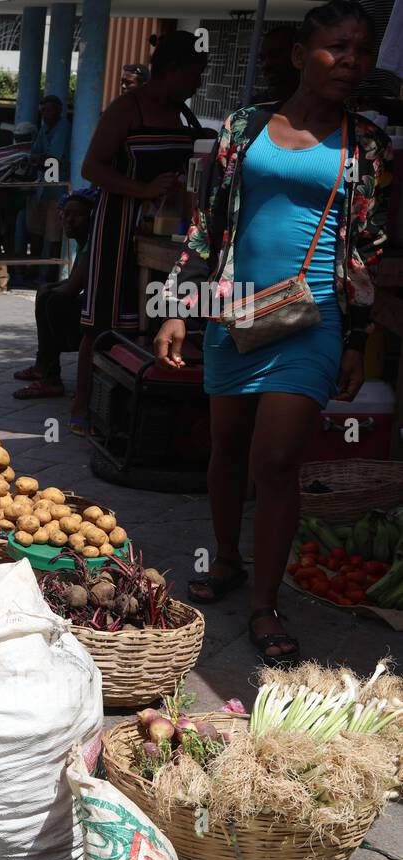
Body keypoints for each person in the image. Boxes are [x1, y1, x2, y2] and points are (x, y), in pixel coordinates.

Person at [155, 0, 393, 665]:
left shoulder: (367, 144)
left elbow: (367, 248)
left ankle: (265, 602)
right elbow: (207, 223)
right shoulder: (243, 127)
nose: (352, 61)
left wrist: (354, 338)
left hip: (311, 316)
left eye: (362, 51)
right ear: (300, 55)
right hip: (234, 310)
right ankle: (226, 558)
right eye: (337, 47)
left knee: (278, 460)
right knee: (227, 446)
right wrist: (179, 303)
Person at [72, 30, 209, 436]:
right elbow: (91, 168)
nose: (198, 84)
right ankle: (83, 405)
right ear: (171, 70)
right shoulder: (127, 109)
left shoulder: (184, 115)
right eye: (194, 75)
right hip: (117, 229)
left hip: (164, 234)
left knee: (149, 321)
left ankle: (130, 411)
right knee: (102, 322)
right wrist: (143, 190)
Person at [14, 188, 98, 399]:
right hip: (89, 306)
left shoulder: (93, 246)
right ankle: (43, 367)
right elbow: (72, 282)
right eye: (66, 214)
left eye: (77, 215)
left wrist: (47, 294)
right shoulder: (84, 243)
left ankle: (51, 378)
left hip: (100, 318)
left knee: (54, 301)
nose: (69, 220)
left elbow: (71, 288)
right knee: (46, 291)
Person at [27, 94, 72, 278]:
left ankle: (51, 276)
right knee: (35, 231)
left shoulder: (63, 128)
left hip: (57, 189)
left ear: (58, 111)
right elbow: (34, 155)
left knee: (54, 236)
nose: (44, 113)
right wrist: (39, 159)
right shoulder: (44, 127)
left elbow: (51, 159)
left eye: (49, 109)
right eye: (43, 109)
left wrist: (40, 159)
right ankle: (32, 272)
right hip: (42, 187)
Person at [0, 122, 36, 258]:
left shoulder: (31, 151)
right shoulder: (24, 152)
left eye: (21, 137)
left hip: (24, 194)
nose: (18, 140)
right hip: (13, 192)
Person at [256, 25, 300, 104]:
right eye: (262, 58)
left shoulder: (319, 106)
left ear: (298, 55)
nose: (266, 64)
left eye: (275, 55)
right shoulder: (250, 108)